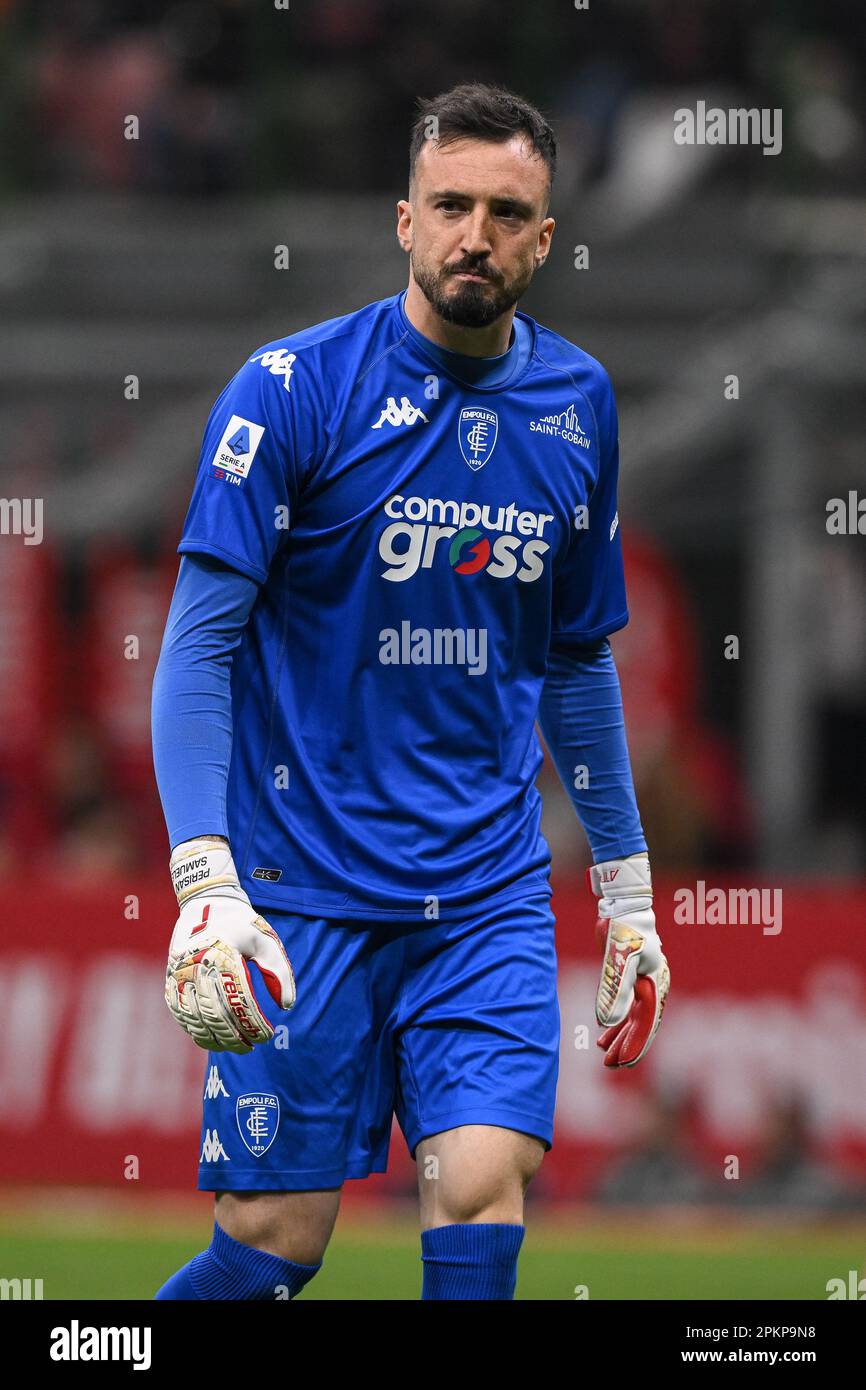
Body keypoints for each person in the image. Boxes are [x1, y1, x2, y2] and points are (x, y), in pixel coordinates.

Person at [151, 81, 669, 1302]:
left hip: (482, 898)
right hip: (300, 891)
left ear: (544, 238)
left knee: (479, 1189)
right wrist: (202, 879)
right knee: (275, 1241)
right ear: (402, 218)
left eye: (504, 212)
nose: (472, 235)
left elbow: (575, 657)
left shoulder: (579, 407)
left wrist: (630, 894)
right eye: (448, 205)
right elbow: (195, 649)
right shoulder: (289, 390)